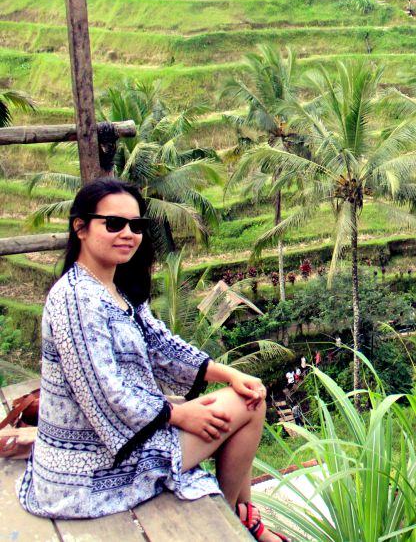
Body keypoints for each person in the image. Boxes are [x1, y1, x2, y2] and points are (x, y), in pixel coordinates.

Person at [16, 179, 289, 542]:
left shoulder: (115, 288)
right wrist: (179, 414)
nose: (128, 233)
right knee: (250, 403)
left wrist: (228, 373)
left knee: (248, 391)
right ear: (80, 227)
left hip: (119, 440)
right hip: (87, 475)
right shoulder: (75, 299)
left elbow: (160, 345)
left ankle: (242, 518)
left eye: (136, 225)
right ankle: (236, 521)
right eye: (113, 224)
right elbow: (103, 391)